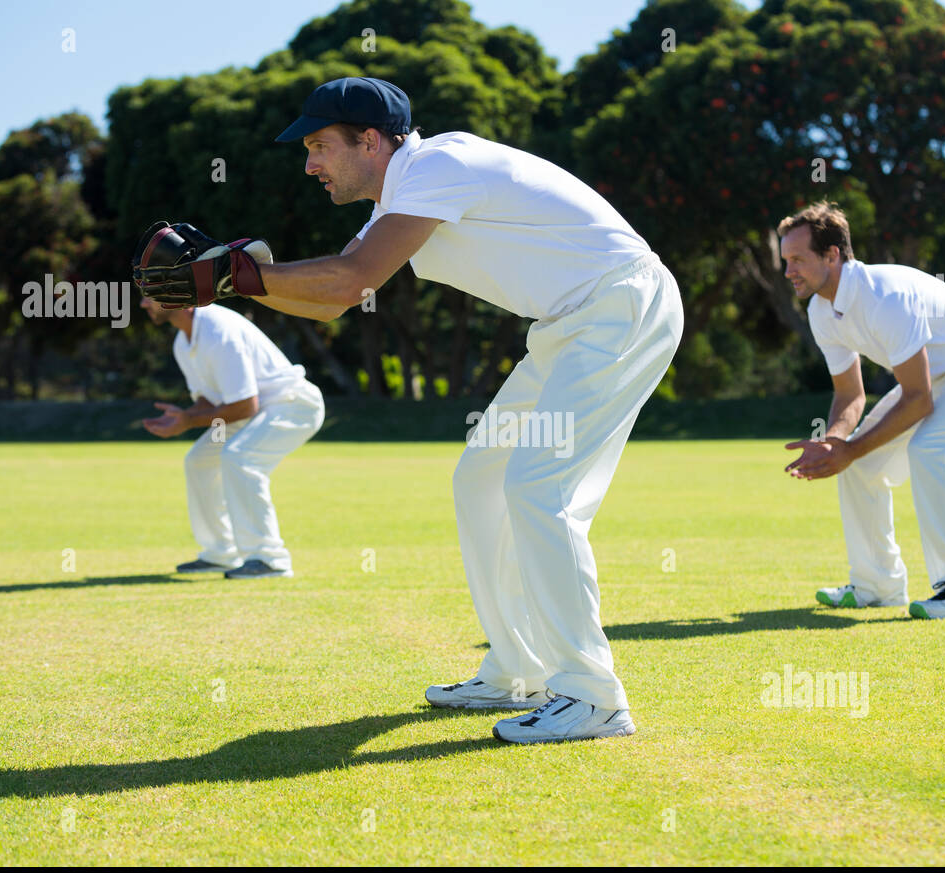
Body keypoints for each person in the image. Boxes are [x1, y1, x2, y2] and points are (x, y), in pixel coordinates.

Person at [133, 76, 684, 743]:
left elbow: (352, 278)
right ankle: (517, 669)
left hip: (619, 306)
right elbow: (334, 297)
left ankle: (592, 695)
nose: (309, 165)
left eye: (318, 146)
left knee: (539, 488)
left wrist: (237, 276)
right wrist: (230, 281)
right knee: (480, 481)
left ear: (370, 140)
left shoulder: (435, 164)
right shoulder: (403, 197)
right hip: (570, 325)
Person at [778, 202, 945, 619]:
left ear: (832, 254)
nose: (789, 272)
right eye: (786, 261)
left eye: (798, 259)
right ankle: (878, 583)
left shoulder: (884, 295)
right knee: (858, 464)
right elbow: (850, 394)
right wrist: (836, 442)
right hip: (939, 377)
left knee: (929, 450)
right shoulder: (822, 310)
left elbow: (919, 399)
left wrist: (850, 448)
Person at [138, 296, 325, 579]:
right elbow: (208, 402)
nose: (143, 304)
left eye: (150, 297)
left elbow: (244, 404)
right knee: (199, 461)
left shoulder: (218, 331)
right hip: (253, 412)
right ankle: (221, 552)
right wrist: (183, 418)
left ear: (180, 299)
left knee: (240, 456)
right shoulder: (182, 343)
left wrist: (189, 421)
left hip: (293, 405)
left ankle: (269, 559)